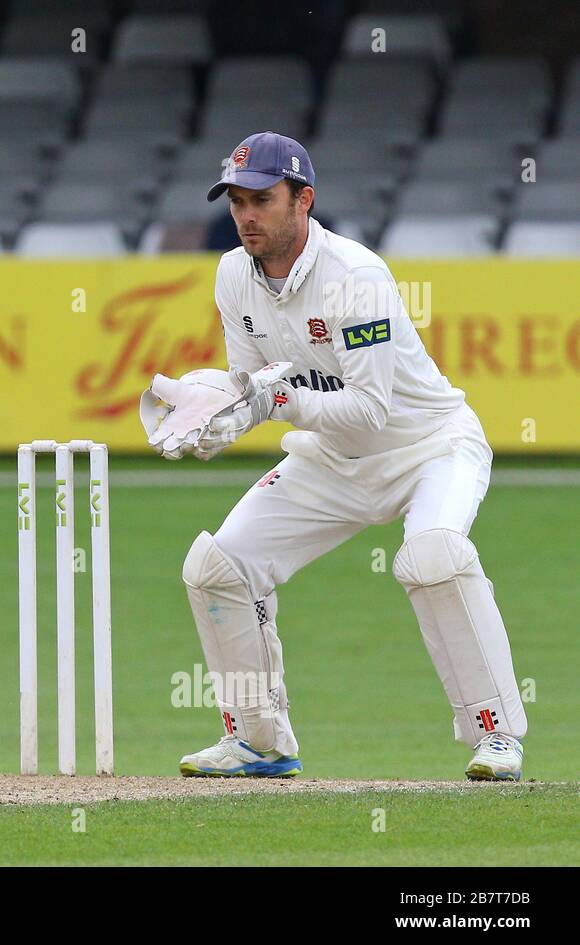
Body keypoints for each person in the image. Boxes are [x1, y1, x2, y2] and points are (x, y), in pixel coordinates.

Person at [142, 131, 527, 782]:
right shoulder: (234, 273)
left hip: (428, 446)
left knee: (432, 557)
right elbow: (253, 382)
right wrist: (220, 420)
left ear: (303, 200)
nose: (246, 216)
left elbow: (369, 408)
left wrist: (275, 400)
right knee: (217, 569)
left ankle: (496, 737)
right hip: (334, 458)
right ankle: (258, 743)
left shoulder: (356, 278)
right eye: (236, 200)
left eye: (262, 198)